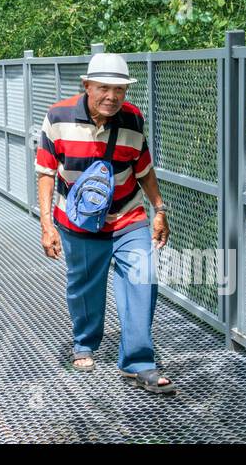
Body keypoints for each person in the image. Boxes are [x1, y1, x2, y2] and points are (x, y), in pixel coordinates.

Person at [35, 51, 175, 393]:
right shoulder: (58, 116)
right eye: (103, 88)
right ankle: (84, 342)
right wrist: (46, 225)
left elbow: (143, 169)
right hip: (77, 220)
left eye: (120, 90)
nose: (112, 97)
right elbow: (45, 173)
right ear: (86, 86)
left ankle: (138, 362)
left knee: (143, 278)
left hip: (128, 215)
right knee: (85, 284)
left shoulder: (133, 119)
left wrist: (159, 210)